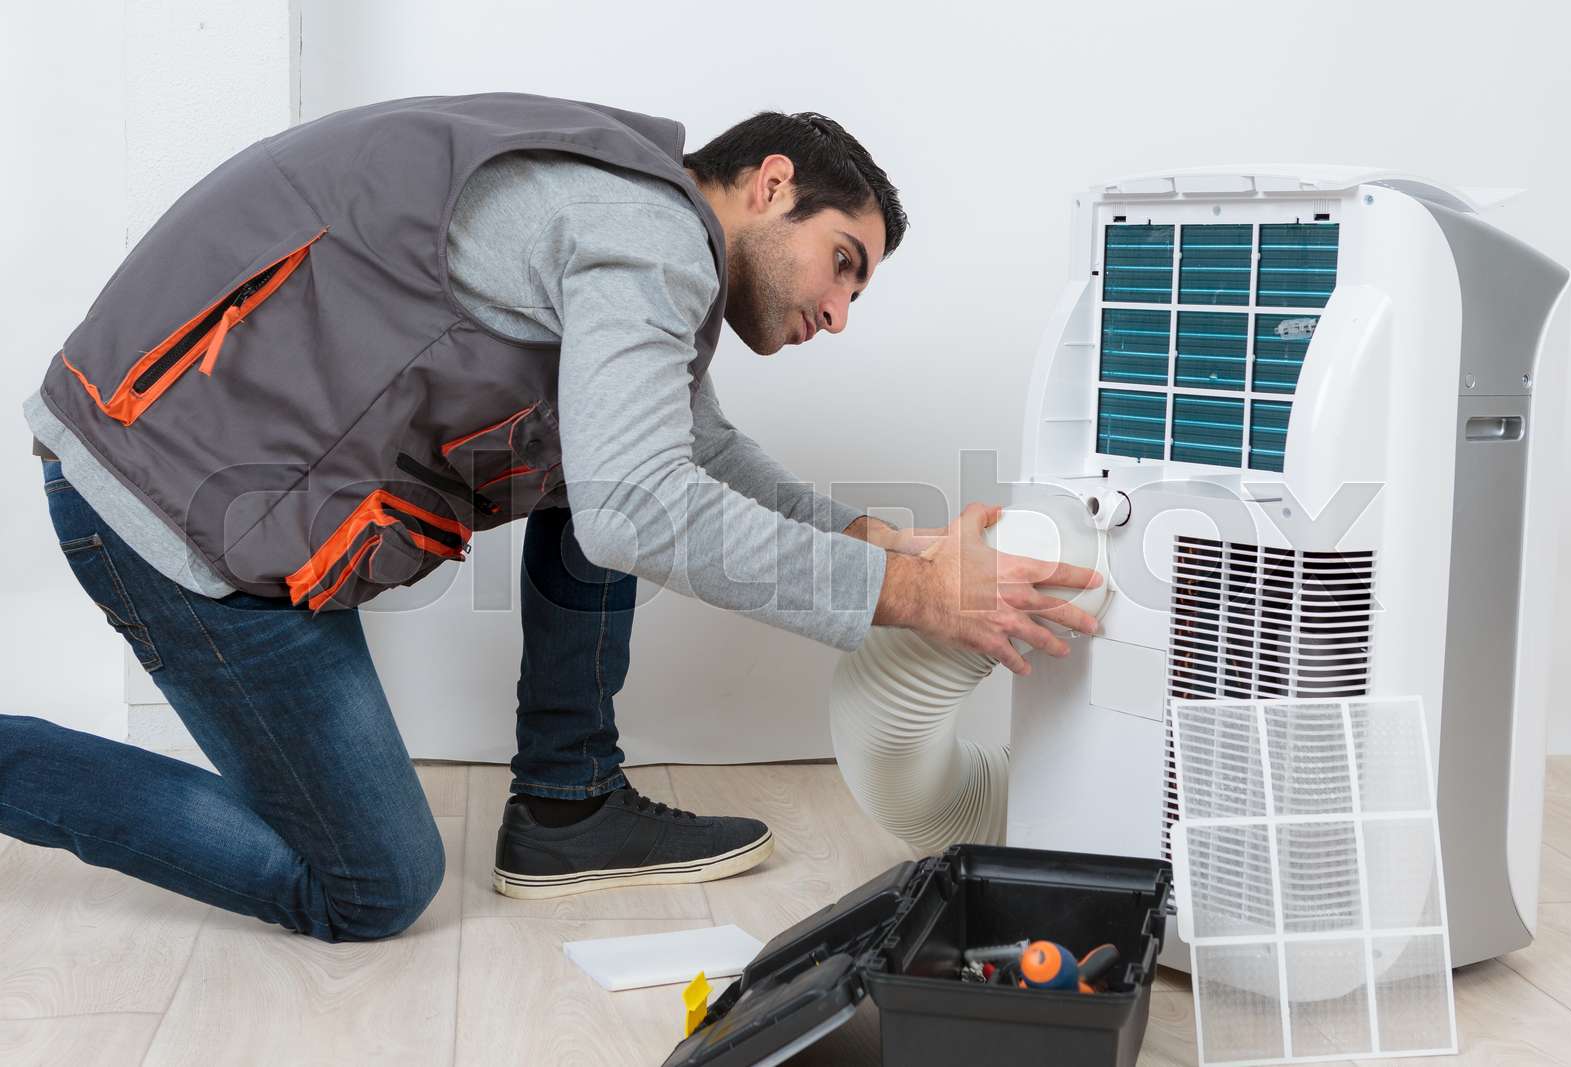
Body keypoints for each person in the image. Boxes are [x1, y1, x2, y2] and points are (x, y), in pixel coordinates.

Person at [6, 94, 1101, 942]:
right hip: (164, 512)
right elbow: (639, 509)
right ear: (773, 184)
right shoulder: (648, 235)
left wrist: (880, 543)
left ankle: (567, 807)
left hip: (221, 487)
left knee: (614, 459)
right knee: (373, 887)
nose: (838, 311)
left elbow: (689, 449)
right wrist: (909, 595)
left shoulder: (627, 213)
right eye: (842, 265)